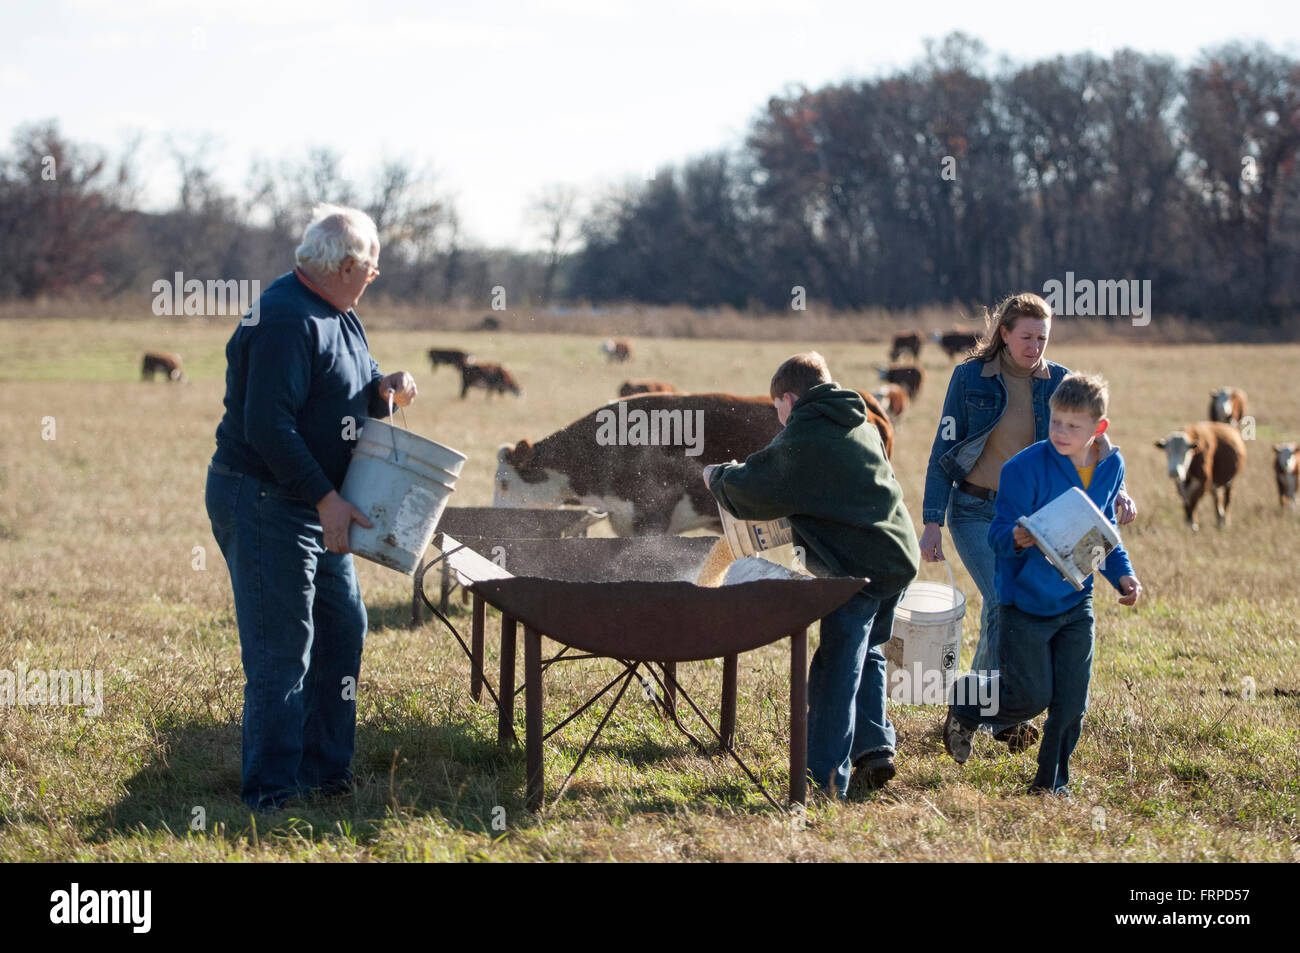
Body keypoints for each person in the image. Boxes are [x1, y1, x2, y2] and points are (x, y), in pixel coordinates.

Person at [205, 203, 418, 811]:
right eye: (372, 267)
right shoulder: (282, 318)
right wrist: (325, 498)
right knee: (283, 645)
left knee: (343, 628)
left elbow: (356, 382)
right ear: (347, 263)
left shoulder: (340, 313)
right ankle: (271, 793)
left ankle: (325, 773)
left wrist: (385, 386)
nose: (376, 276)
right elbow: (269, 428)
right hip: (267, 498)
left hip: (317, 503)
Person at [919, 293, 1135, 752]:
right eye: (1026, 336)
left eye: (1043, 337)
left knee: (1022, 608)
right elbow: (944, 448)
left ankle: (1002, 711)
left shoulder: (1058, 380)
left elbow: (1098, 444)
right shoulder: (969, 378)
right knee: (1001, 598)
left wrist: (1119, 494)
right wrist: (933, 521)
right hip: (976, 511)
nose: (1035, 345)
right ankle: (972, 709)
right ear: (1004, 334)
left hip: (1038, 518)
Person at [704, 352, 920, 799]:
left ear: (789, 397)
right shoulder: (857, 418)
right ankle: (875, 748)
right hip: (898, 555)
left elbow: (755, 489)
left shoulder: (807, 431)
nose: (779, 419)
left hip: (857, 568)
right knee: (869, 650)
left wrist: (718, 477)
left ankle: (823, 779)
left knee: (834, 668)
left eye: (777, 409)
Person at [942, 373, 1142, 796]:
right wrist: (1016, 536)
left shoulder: (1112, 467)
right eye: (1056, 423)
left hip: (1075, 601)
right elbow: (997, 534)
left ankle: (1050, 786)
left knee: (1071, 705)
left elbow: (1100, 536)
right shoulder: (1022, 468)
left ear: (1098, 429)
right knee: (1028, 698)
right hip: (1025, 603)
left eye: (1073, 426)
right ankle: (966, 703)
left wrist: (1124, 575)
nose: (1061, 433)